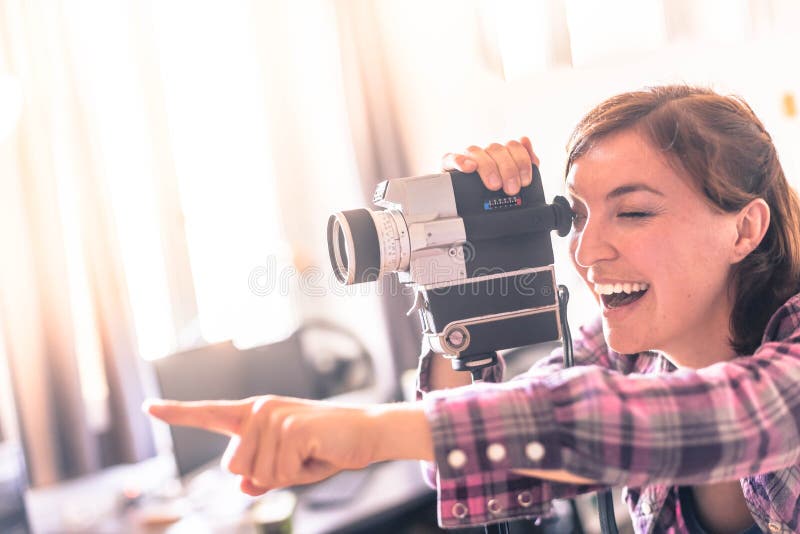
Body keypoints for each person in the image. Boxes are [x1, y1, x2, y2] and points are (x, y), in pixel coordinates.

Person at [146, 85, 800, 533]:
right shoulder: (625, 351)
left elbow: (664, 422)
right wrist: (456, 244)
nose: (587, 250)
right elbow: (471, 451)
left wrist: (369, 432)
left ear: (744, 230)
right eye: (574, 217)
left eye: (632, 213)